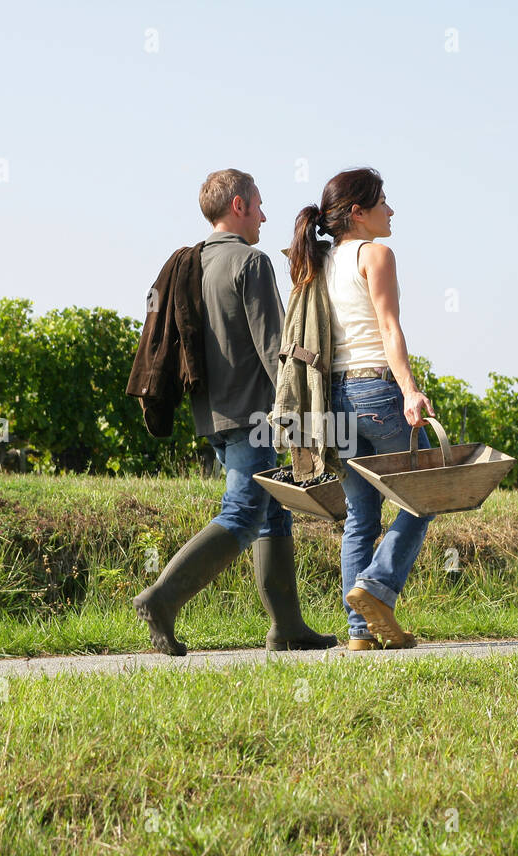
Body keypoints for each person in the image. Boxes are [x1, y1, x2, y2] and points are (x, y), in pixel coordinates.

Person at [133, 169, 336, 656]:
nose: (266, 216)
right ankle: (162, 598)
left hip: (213, 416)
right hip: (253, 414)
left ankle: (287, 627)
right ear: (239, 205)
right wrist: (300, 414)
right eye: (260, 206)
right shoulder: (251, 262)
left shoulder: (190, 263)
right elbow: (274, 349)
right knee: (244, 514)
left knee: (273, 514)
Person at [287, 168, 435, 650]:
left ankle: (360, 633)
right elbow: (390, 330)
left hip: (333, 402)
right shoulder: (376, 254)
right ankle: (377, 586)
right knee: (430, 489)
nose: (391, 211)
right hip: (376, 391)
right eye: (383, 202)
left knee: (360, 515)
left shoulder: (319, 261)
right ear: (357, 212)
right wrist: (410, 390)